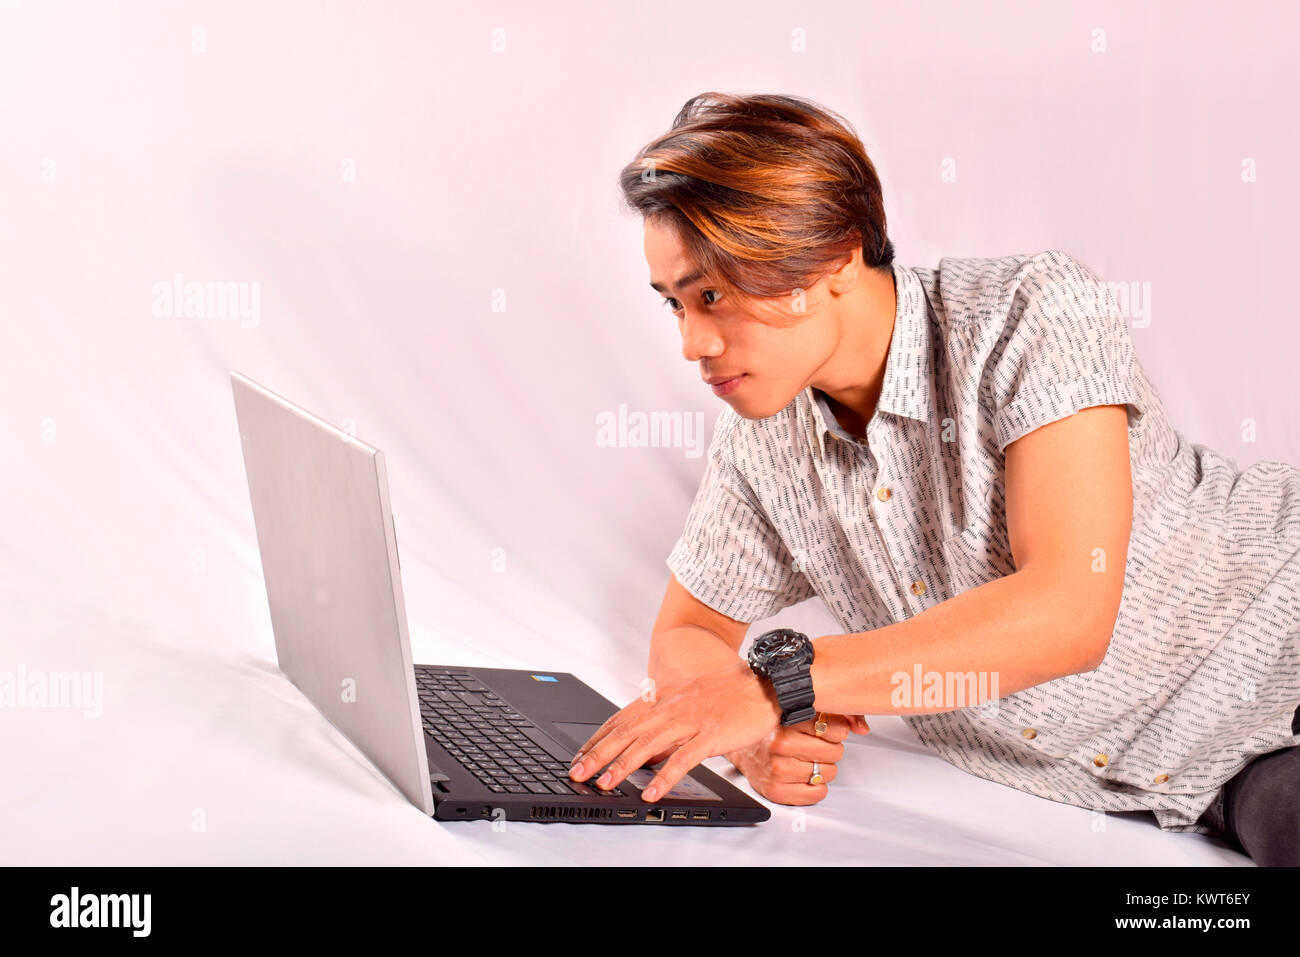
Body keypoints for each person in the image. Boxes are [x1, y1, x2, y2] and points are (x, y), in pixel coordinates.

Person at [566, 92, 1300, 866]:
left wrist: (778, 684)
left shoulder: (1033, 310)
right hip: (1221, 776)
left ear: (836, 255)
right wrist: (752, 739)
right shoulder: (765, 438)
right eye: (673, 304)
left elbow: (1068, 611)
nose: (692, 342)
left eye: (712, 294)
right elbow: (688, 634)